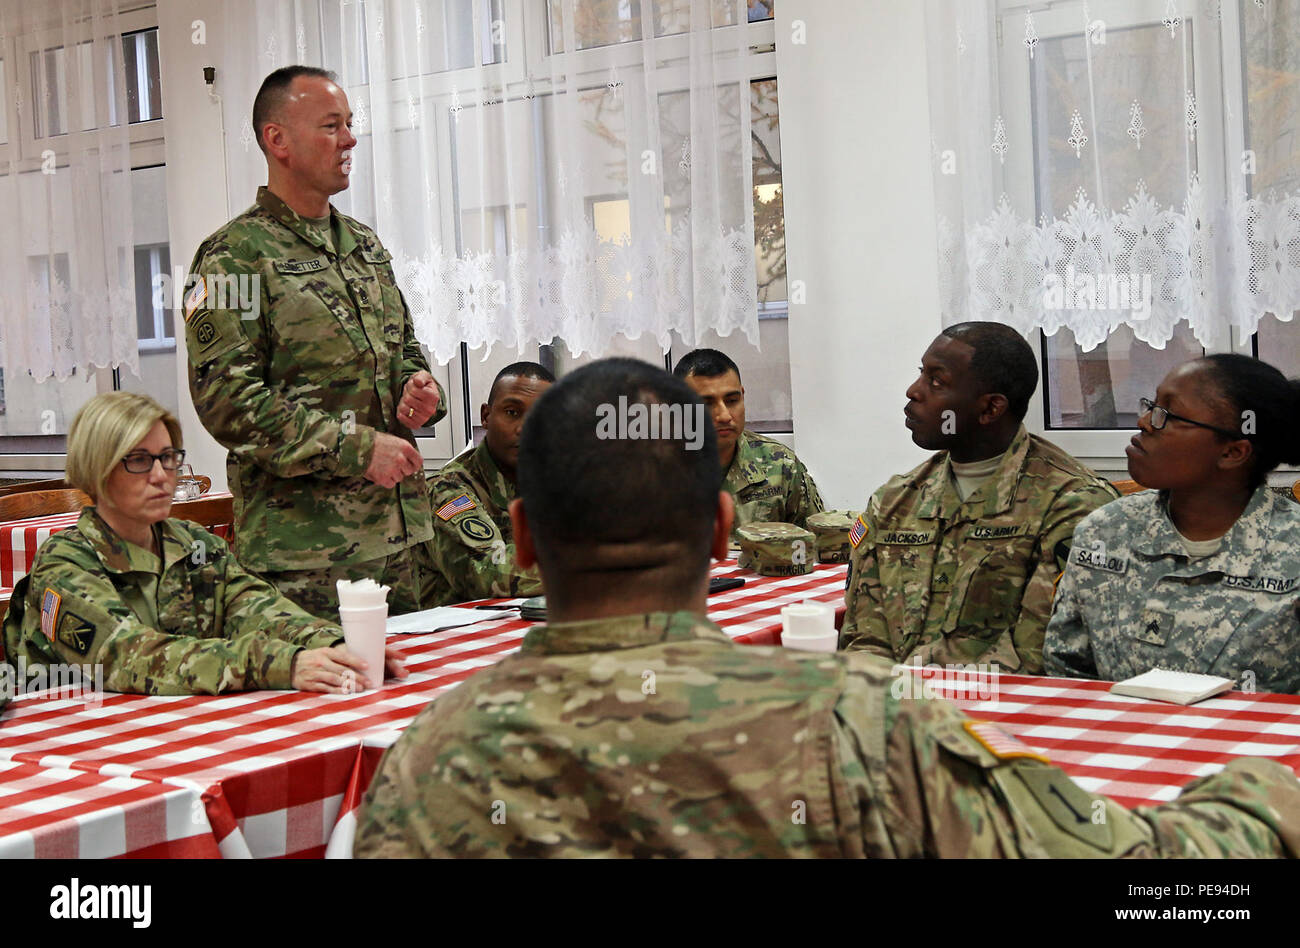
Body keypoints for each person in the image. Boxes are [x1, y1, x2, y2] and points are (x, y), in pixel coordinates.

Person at [353, 358, 1300, 858]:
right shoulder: (858, 729)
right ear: (725, 531)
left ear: (521, 539)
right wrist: (1263, 793)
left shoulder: (422, 763)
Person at [185, 65, 447, 619]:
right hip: (302, 557)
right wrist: (356, 451)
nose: (350, 139)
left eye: (350, 124)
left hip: (398, 539)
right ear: (276, 139)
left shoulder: (364, 245)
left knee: (407, 701)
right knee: (324, 705)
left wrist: (418, 389)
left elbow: (402, 348)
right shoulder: (233, 257)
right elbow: (230, 405)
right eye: (332, 125)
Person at [0, 393, 406, 703]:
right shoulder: (65, 564)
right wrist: (282, 663)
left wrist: (335, 646)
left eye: (168, 457)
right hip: (69, 745)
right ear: (98, 468)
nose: (162, 476)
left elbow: (257, 608)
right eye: (138, 460)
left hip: (167, 724)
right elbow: (127, 657)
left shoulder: (193, 544)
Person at [839, 323, 1117, 674]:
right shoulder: (894, 502)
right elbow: (864, 637)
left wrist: (917, 690)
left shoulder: (1071, 505)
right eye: (920, 374)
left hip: (1007, 710)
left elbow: (1038, 653)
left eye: (936, 381)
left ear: (990, 409)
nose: (913, 391)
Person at [1045, 356, 1300, 691]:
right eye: (1151, 405)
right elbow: (1066, 671)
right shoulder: (1105, 531)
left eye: (1168, 414)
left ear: (1233, 452)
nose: (1144, 421)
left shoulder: (1291, 548)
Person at [423, 362, 553, 604]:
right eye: (512, 412)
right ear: (486, 416)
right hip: (451, 634)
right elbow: (485, 573)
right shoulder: (447, 489)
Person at [673, 348, 824, 531]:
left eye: (732, 400)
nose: (724, 416)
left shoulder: (780, 465)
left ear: (742, 396)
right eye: (707, 404)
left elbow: (816, 545)